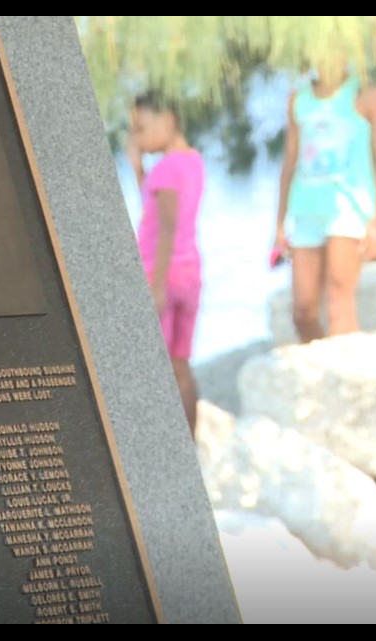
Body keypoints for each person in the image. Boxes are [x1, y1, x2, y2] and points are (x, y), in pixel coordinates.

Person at [275, 63, 376, 343]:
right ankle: (322, 376)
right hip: (306, 211)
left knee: (339, 302)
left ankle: (349, 382)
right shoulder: (298, 100)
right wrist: (280, 223)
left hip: (349, 211)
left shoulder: (368, 96)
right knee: (302, 311)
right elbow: (289, 162)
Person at [128, 90, 206, 436]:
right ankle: (190, 444)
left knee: (151, 366)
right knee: (179, 364)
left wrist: (156, 284)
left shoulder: (166, 168)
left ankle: (159, 443)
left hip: (161, 273)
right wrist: (137, 169)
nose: (137, 138)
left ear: (168, 120)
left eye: (141, 129)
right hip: (189, 272)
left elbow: (166, 225)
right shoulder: (193, 162)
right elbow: (159, 208)